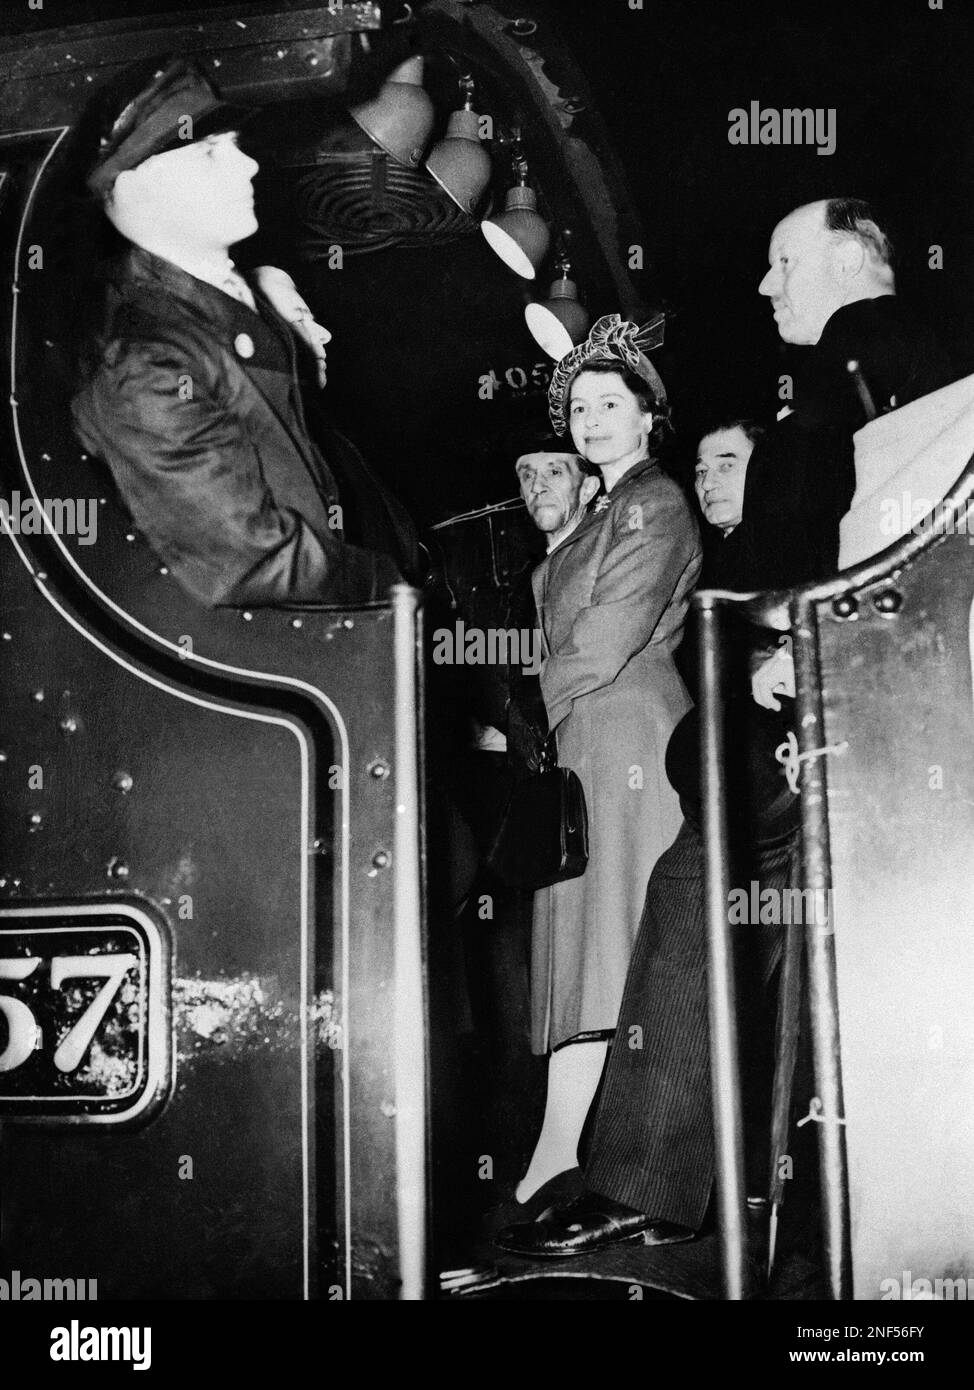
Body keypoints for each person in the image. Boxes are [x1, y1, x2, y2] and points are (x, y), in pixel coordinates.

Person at [496, 198, 953, 1258]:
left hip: (824, 703)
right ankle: (738, 1182)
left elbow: (909, 507)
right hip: (831, 700)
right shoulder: (869, 361)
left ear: (848, 257)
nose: (763, 284)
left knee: (694, 882)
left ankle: (654, 1181)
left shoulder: (869, 348)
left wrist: (809, 638)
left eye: (779, 259)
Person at [71, 56, 419, 609]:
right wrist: (392, 586)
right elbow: (255, 560)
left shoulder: (215, 302)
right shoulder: (148, 366)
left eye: (235, 144)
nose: (248, 167)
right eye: (211, 152)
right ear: (135, 189)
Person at [498, 315, 702, 1227]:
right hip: (585, 738)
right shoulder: (600, 508)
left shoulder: (653, 504)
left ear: (648, 416)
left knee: (621, 954)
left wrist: (526, 711)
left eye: (609, 403)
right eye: (579, 406)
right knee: (590, 955)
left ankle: (628, 1172)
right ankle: (557, 1157)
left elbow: (607, 636)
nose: (589, 417)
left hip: (625, 735)